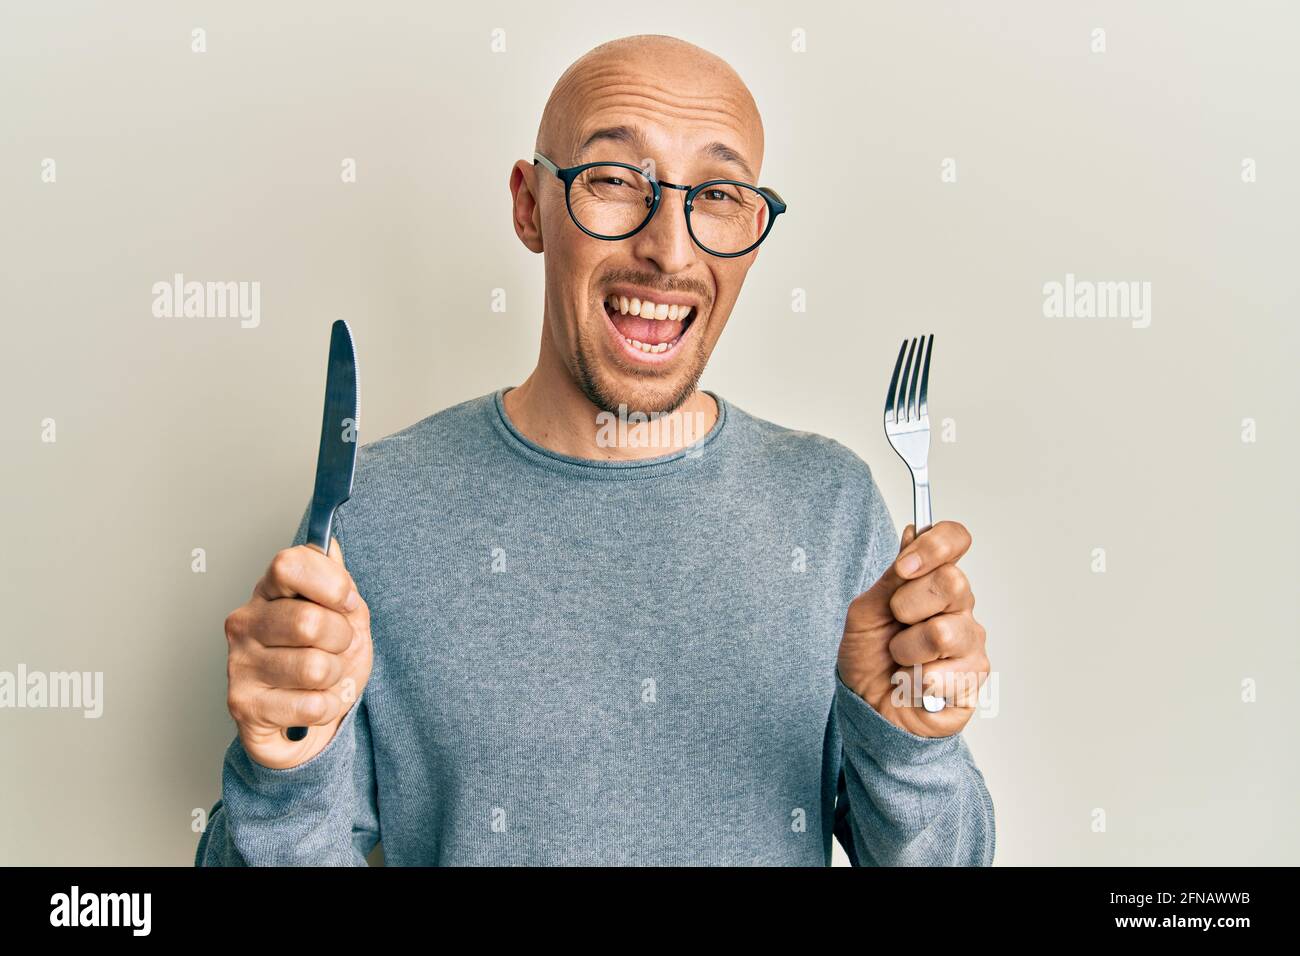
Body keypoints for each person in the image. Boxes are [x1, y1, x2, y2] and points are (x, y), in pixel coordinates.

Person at [197, 34, 994, 866]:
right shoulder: (373, 510)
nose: (671, 249)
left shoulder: (830, 504)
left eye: (719, 194)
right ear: (528, 205)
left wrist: (909, 751)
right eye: (616, 180)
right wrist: (281, 769)